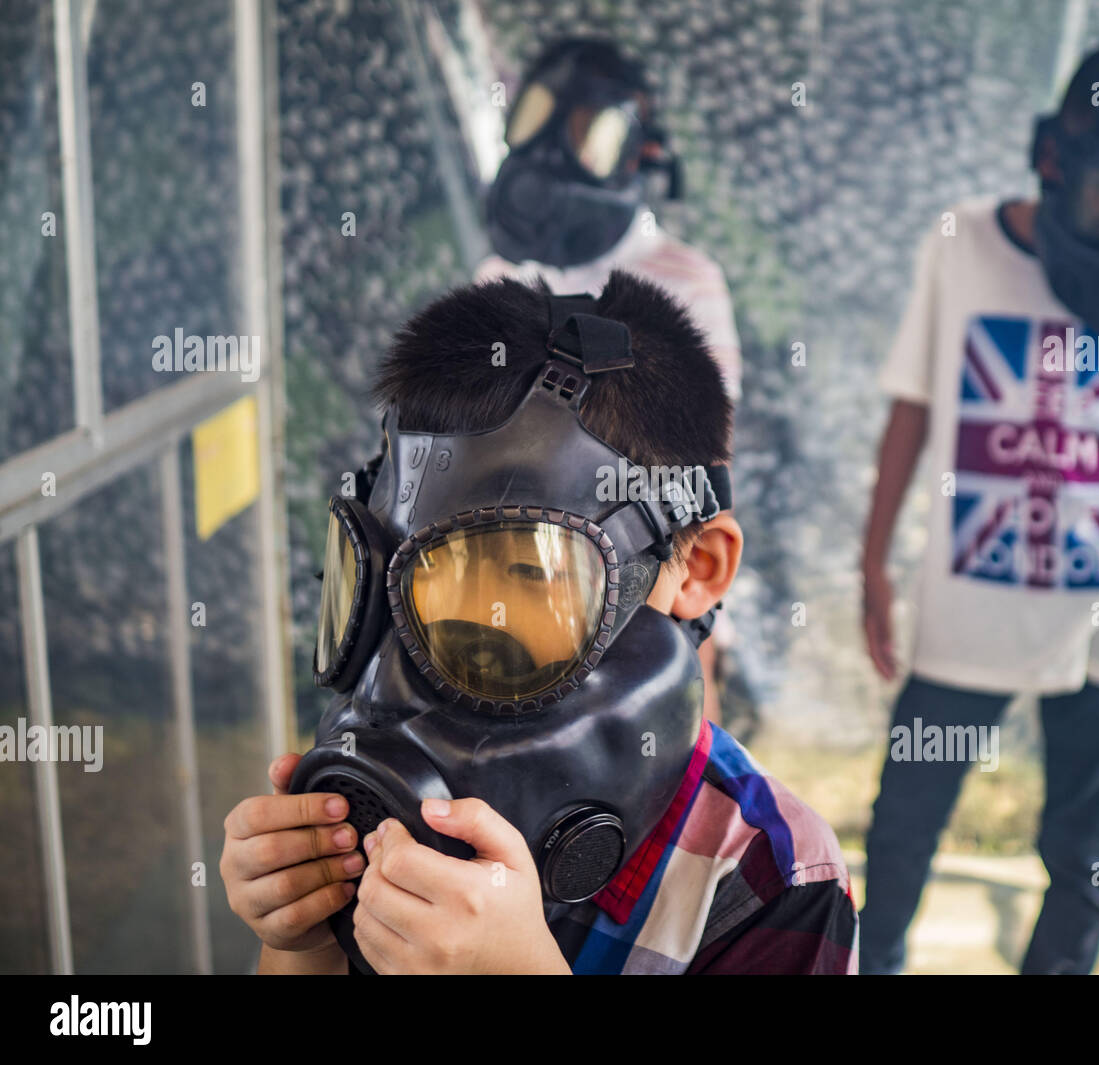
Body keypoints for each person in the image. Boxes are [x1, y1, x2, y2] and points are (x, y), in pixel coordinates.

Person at [220, 271, 857, 975]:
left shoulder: (775, 882)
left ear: (698, 565)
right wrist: (305, 941)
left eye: (526, 575)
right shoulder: (383, 827)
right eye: (403, 588)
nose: (403, 670)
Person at [858, 40, 1099, 975]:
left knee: (1085, 853)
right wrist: (872, 562)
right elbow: (913, 404)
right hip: (970, 602)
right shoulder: (964, 241)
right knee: (903, 827)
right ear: (1055, 161)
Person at [477, 36, 743, 725]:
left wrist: (691, 610)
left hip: (644, 569)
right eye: (534, 122)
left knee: (673, 757)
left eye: (589, 133)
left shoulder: (685, 280)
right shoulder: (497, 277)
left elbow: (704, 467)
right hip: (518, 566)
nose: (547, 153)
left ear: (638, 152)